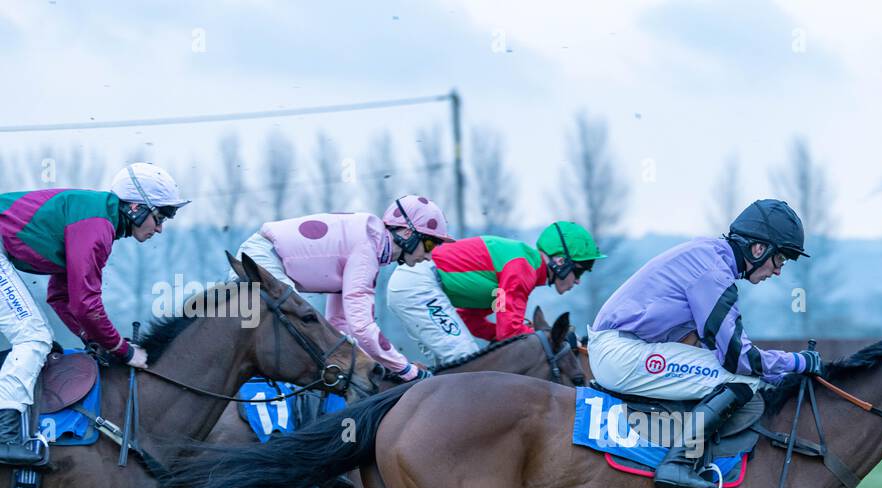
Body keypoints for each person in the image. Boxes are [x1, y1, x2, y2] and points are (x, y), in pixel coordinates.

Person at [587, 198, 819, 488]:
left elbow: (715, 346)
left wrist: (776, 374)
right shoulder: (712, 274)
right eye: (781, 260)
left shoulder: (710, 258)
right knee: (742, 380)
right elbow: (739, 359)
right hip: (621, 354)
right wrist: (797, 362)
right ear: (758, 249)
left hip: (623, 348)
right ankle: (678, 464)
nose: (778, 271)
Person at [0, 162, 188, 464]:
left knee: (39, 339)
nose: (161, 227)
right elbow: (86, 304)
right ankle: (5, 437)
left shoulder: (99, 221)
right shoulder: (97, 225)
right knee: (33, 336)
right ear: (137, 207)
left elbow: (62, 296)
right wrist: (123, 350)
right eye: (161, 215)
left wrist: (94, 340)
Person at [232, 196, 453, 381]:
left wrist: (375, 364)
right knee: (302, 333)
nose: (429, 256)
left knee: (317, 338)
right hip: (259, 260)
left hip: (260, 256)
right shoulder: (367, 250)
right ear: (407, 233)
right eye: (430, 244)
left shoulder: (370, 245)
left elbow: (340, 323)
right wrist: (407, 370)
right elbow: (363, 327)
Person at [387, 221, 602, 367]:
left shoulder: (517, 271)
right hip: (419, 282)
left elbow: (470, 319)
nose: (579, 280)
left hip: (414, 283)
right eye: (579, 270)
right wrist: (549, 336)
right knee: (466, 363)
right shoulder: (523, 268)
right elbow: (510, 332)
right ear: (561, 262)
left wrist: (518, 332)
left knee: (450, 369)